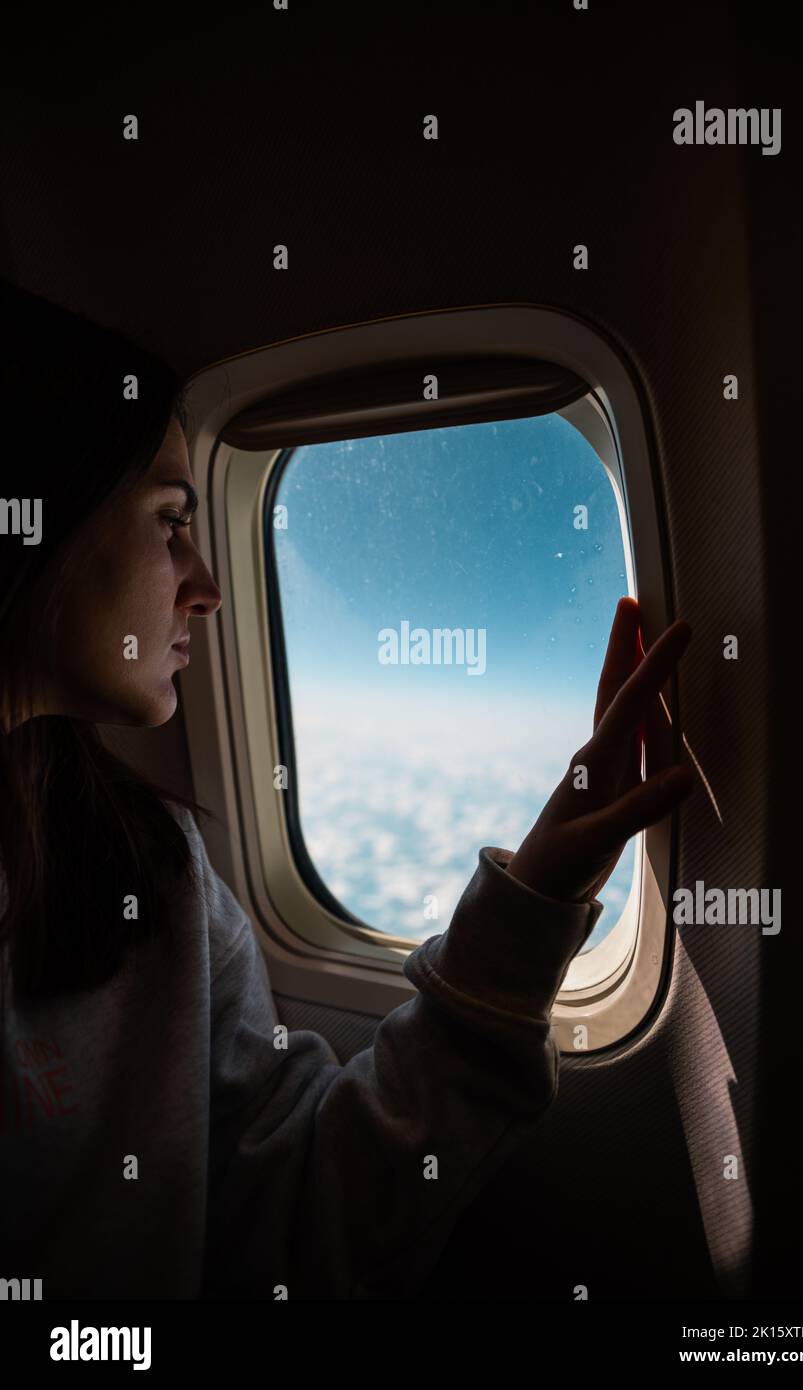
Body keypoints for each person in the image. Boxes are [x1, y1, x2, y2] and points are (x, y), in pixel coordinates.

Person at [0, 278, 694, 1299]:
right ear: (37, 514)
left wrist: (535, 901)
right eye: (168, 521)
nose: (209, 583)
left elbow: (302, 1208)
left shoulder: (148, 871)